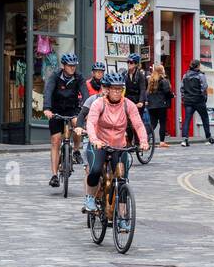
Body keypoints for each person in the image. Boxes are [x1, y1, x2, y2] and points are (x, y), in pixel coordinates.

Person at [83, 71, 147, 230]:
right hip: (100, 145)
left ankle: (122, 218)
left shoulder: (128, 104)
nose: (117, 92)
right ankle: (90, 198)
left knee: (122, 180)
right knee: (95, 170)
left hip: (119, 146)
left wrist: (144, 141)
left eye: (120, 89)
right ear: (108, 89)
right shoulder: (99, 104)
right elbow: (90, 123)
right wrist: (95, 140)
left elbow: (138, 124)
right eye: (114, 89)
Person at [43, 53, 87, 187]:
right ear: (63, 66)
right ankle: (54, 175)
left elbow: (85, 93)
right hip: (56, 110)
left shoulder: (78, 77)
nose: (72, 68)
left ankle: (76, 151)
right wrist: (47, 108)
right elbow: (48, 91)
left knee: (76, 124)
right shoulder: (55, 76)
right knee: (55, 141)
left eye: (74, 66)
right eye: (70, 66)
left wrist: (87, 108)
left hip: (72, 109)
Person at [180, 58, 214, 146]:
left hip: (188, 101)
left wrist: (184, 98)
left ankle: (185, 139)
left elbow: (182, 89)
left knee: (187, 120)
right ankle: (208, 137)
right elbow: (204, 87)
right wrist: (203, 97)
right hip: (199, 100)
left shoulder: (185, 76)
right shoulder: (200, 75)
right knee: (205, 118)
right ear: (198, 66)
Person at [147, 62, 173, 146]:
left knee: (152, 123)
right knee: (162, 123)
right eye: (164, 69)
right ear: (161, 71)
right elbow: (167, 91)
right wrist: (172, 95)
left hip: (151, 105)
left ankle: (144, 138)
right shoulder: (164, 80)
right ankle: (162, 142)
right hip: (161, 104)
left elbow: (148, 92)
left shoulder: (151, 80)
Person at [124, 53, 149, 131]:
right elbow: (123, 88)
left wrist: (141, 101)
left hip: (138, 99)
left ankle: (138, 141)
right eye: (128, 62)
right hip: (128, 99)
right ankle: (130, 141)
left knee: (137, 122)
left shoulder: (140, 75)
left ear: (136, 64)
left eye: (131, 62)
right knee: (127, 122)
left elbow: (142, 89)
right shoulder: (125, 74)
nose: (129, 64)